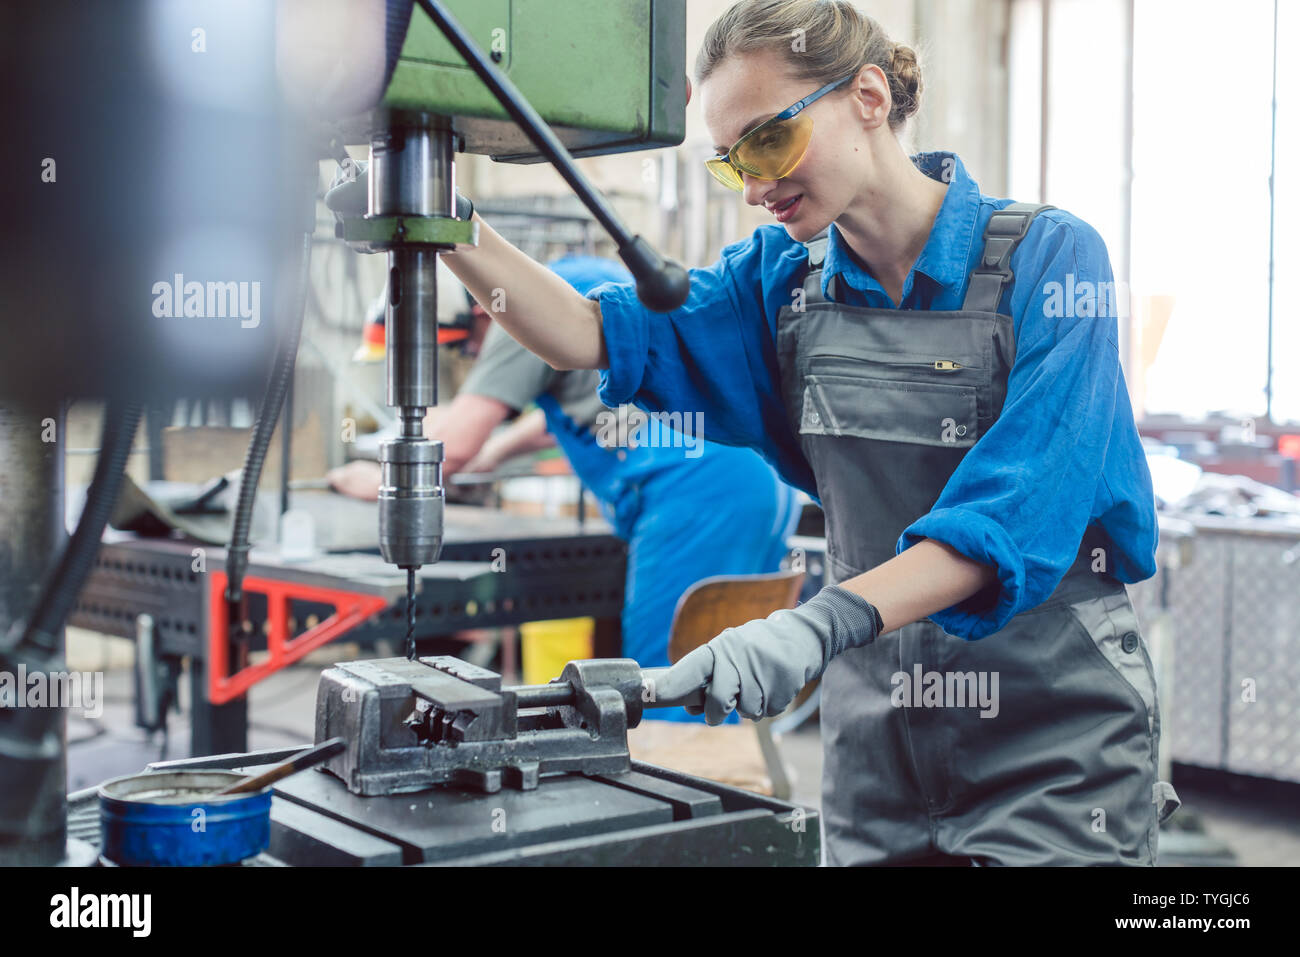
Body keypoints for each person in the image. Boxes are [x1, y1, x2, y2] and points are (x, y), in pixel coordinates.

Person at [436, 0, 1180, 865]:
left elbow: (1011, 517)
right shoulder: (779, 285)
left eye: (766, 142)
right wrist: (437, 205)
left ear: (867, 96)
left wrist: (815, 626)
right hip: (876, 750)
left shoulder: (1052, 260)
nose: (753, 187)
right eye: (729, 164)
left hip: (1053, 745)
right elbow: (584, 331)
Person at [329, 254, 801, 724]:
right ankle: (729, 783)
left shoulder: (519, 302)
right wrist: (494, 454)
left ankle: (674, 785)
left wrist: (378, 480)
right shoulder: (578, 281)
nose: (475, 356)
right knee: (724, 665)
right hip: (752, 477)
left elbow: (456, 442)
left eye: (465, 347)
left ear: (477, 311)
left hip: (695, 494)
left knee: (671, 678)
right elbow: (560, 417)